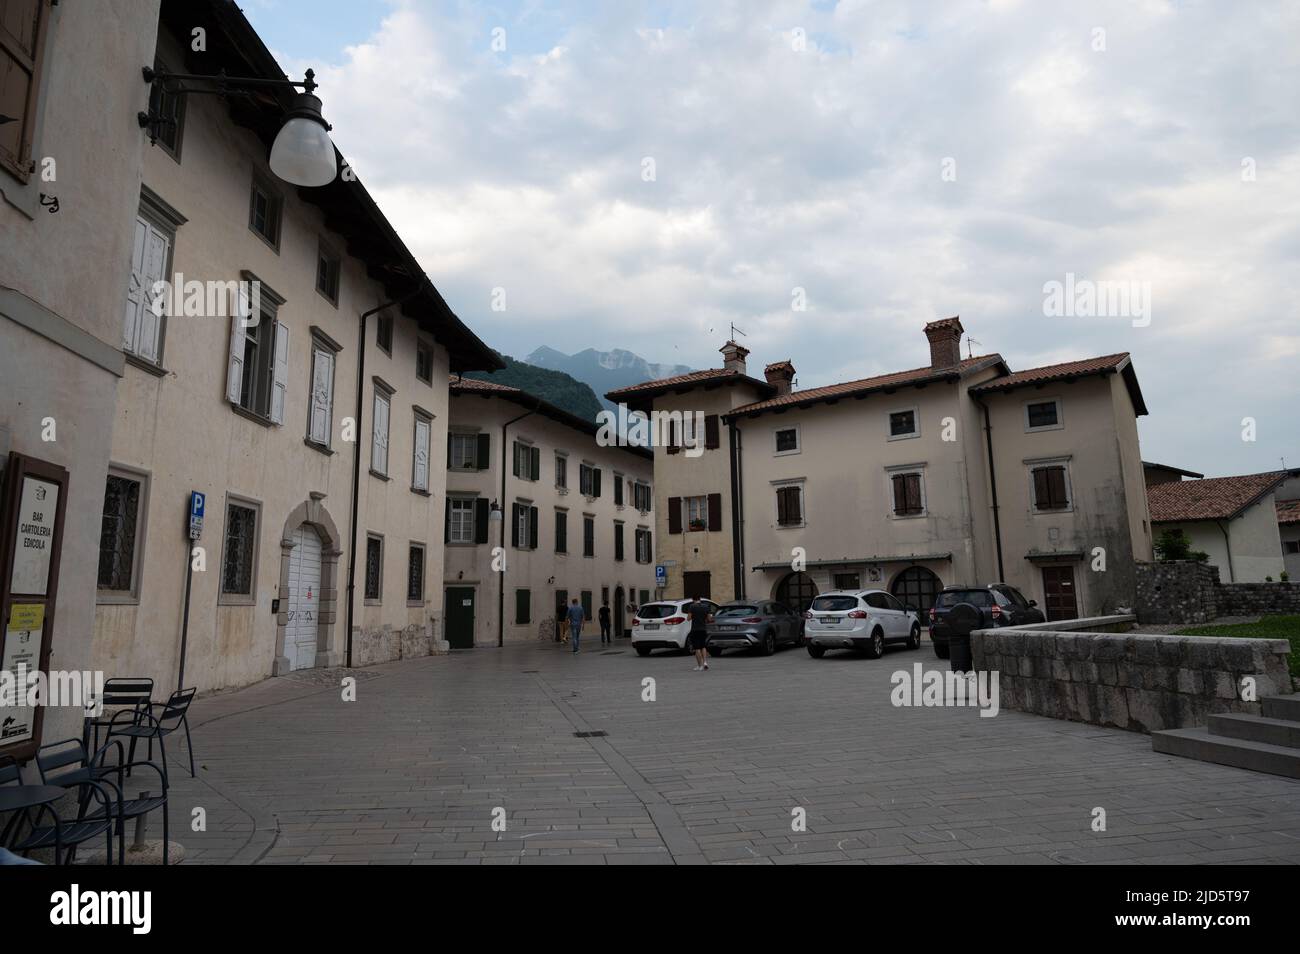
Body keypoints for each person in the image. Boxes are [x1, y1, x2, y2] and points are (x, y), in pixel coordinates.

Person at [684, 595, 713, 671]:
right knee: (703, 646)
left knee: (697, 648)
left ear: (693, 600)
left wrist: (693, 616)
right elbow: (709, 619)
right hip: (703, 629)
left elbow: (688, 618)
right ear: (699, 599)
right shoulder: (706, 606)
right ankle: (705, 662)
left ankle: (700, 666)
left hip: (695, 629)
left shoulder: (692, 606)